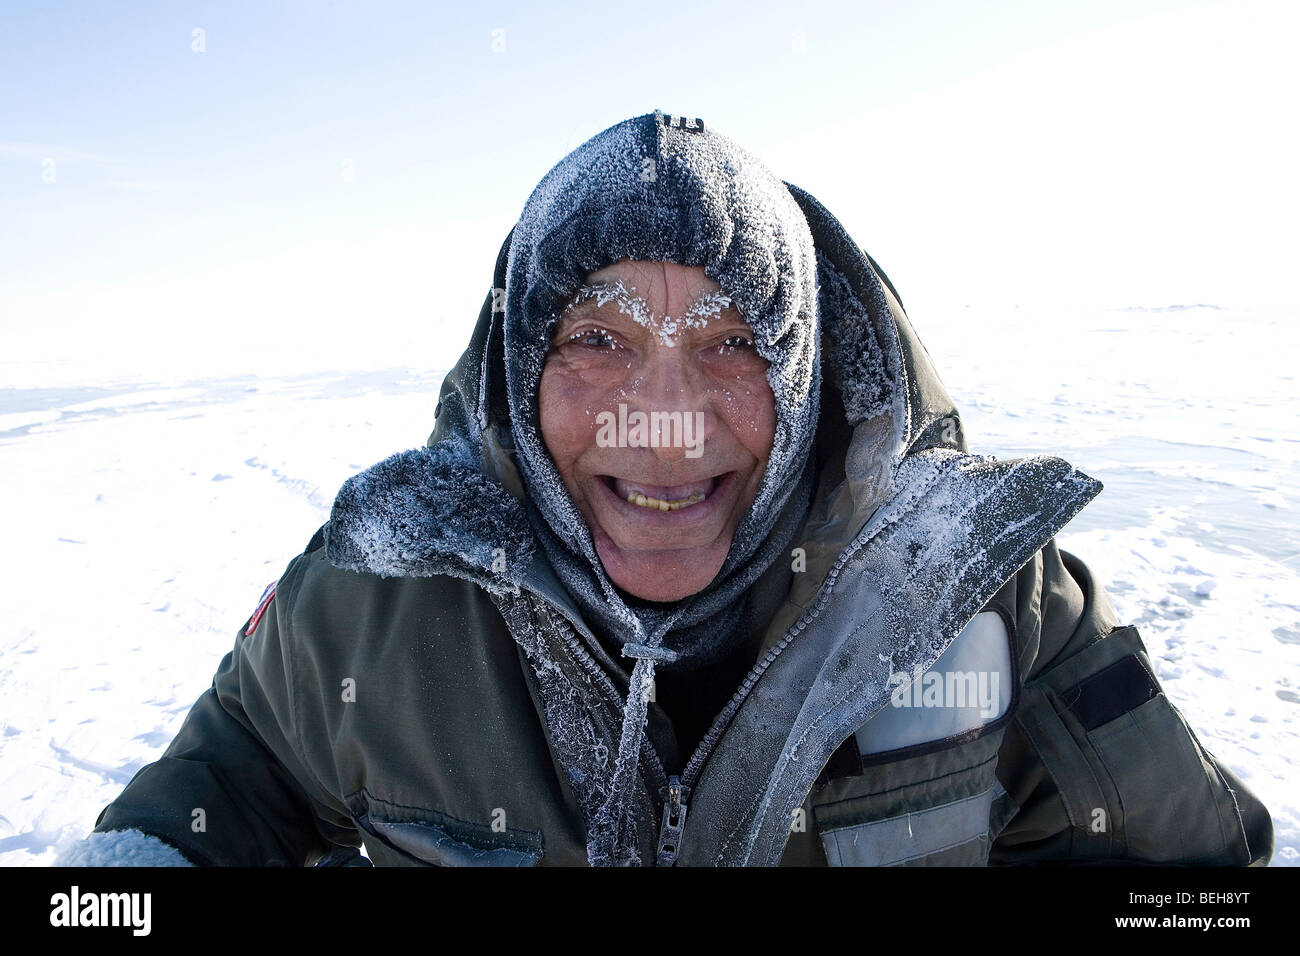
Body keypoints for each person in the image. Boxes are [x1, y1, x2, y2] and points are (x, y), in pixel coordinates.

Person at [56, 110, 1272, 867]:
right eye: (597, 336)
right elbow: (218, 796)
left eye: (734, 342)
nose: (667, 415)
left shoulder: (990, 603)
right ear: (518, 366)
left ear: (806, 375)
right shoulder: (371, 593)